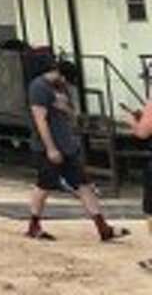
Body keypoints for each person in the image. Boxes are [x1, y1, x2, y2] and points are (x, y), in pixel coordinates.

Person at [26, 58, 127, 242]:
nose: (66, 85)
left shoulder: (61, 88)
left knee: (84, 185)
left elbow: (72, 114)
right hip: (48, 147)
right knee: (44, 185)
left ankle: (102, 227)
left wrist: (65, 107)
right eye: (65, 80)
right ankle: (34, 224)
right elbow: (40, 120)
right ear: (58, 74)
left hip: (67, 145)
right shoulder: (38, 87)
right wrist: (51, 148)